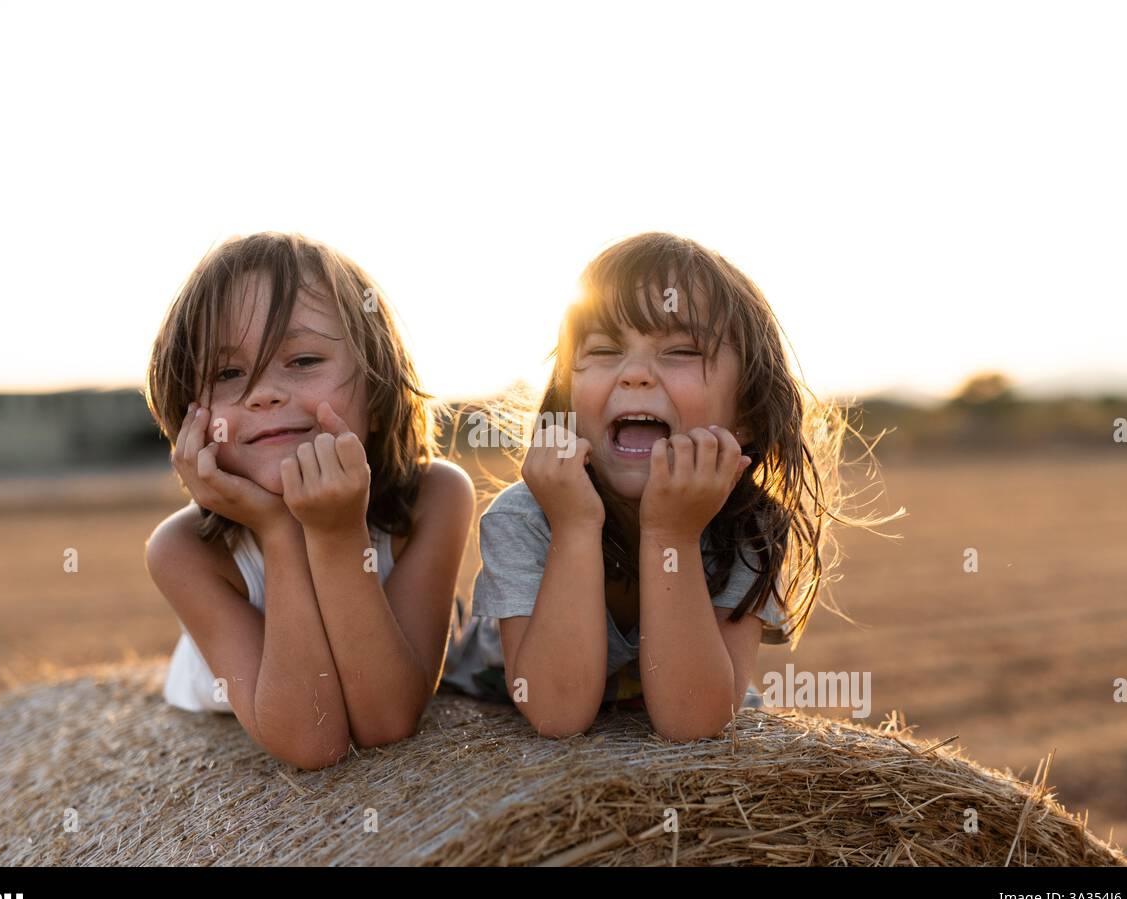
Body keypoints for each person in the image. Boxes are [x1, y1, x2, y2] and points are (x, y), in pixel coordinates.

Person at [441, 232, 900, 742]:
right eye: (605, 349)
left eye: (681, 350)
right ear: (568, 403)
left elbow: (692, 720)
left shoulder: (747, 526)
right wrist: (574, 526)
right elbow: (557, 712)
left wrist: (671, 537)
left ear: (746, 413)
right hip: (481, 691)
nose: (635, 373)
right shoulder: (526, 517)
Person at [144, 232, 474, 769]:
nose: (264, 392)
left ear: (378, 385)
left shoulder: (436, 498)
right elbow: (313, 742)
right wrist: (279, 530)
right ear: (188, 416)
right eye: (227, 373)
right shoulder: (182, 550)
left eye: (302, 360)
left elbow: (388, 722)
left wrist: (338, 532)